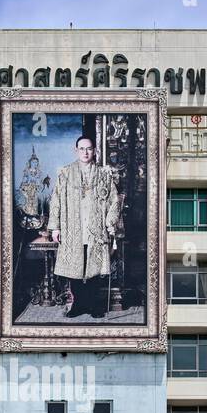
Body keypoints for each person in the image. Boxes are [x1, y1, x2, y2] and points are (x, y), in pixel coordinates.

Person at [46, 134, 120, 318]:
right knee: (75, 269)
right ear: (76, 150)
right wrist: (55, 227)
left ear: (94, 151)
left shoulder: (104, 174)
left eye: (89, 148)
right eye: (82, 149)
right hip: (73, 229)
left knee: (94, 269)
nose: (85, 152)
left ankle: (94, 305)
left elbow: (114, 201)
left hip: (95, 230)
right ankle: (78, 305)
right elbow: (55, 201)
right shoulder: (65, 173)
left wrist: (110, 224)